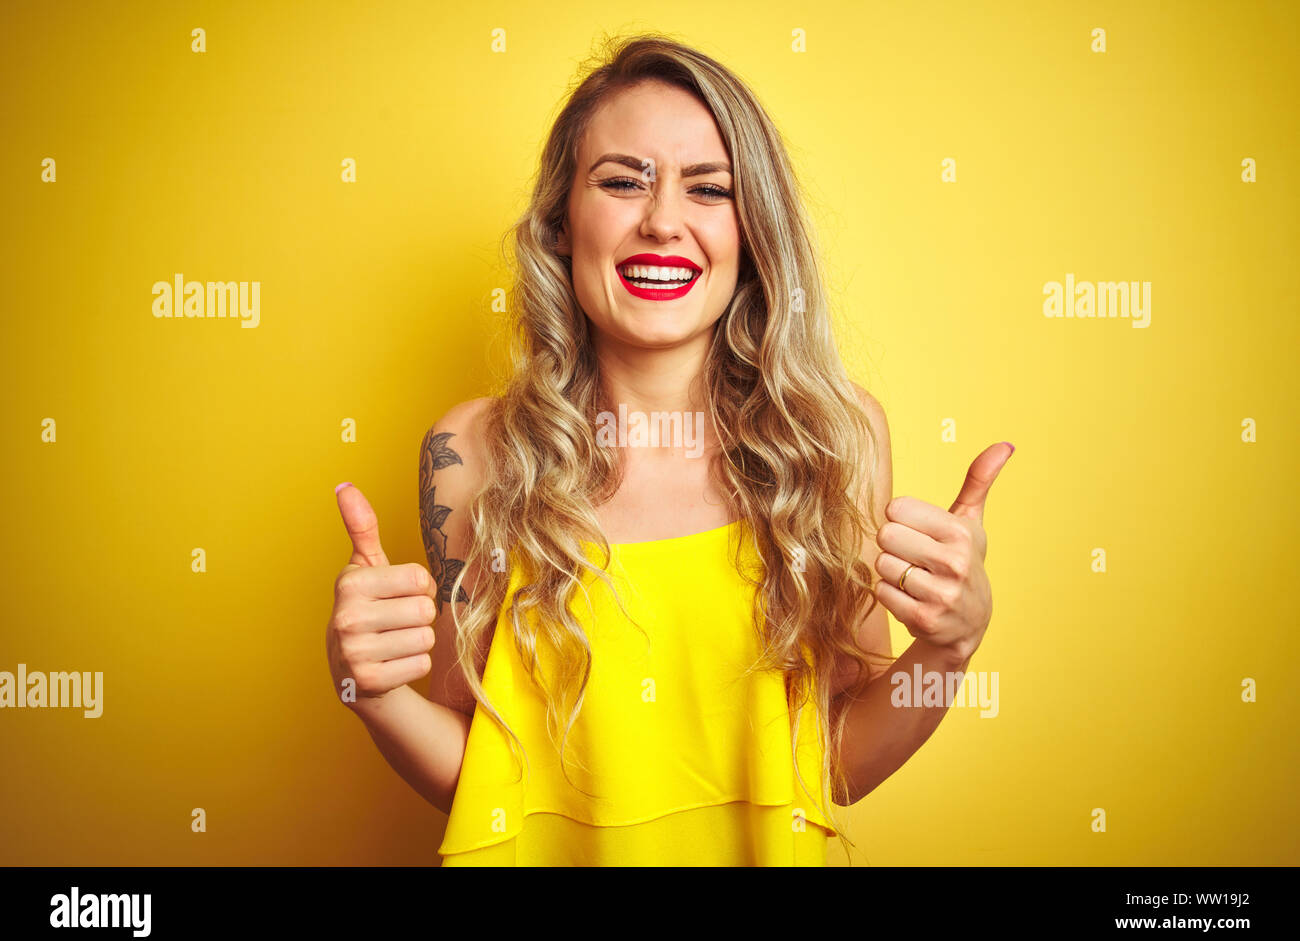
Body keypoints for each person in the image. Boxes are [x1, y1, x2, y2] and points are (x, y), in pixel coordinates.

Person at [325, 33, 1012, 866]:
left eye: (709, 189)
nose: (662, 221)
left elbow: (836, 763)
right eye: (622, 181)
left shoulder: (838, 438)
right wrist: (374, 692)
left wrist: (949, 648)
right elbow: (480, 774)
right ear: (562, 222)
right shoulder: (472, 450)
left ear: (752, 229)